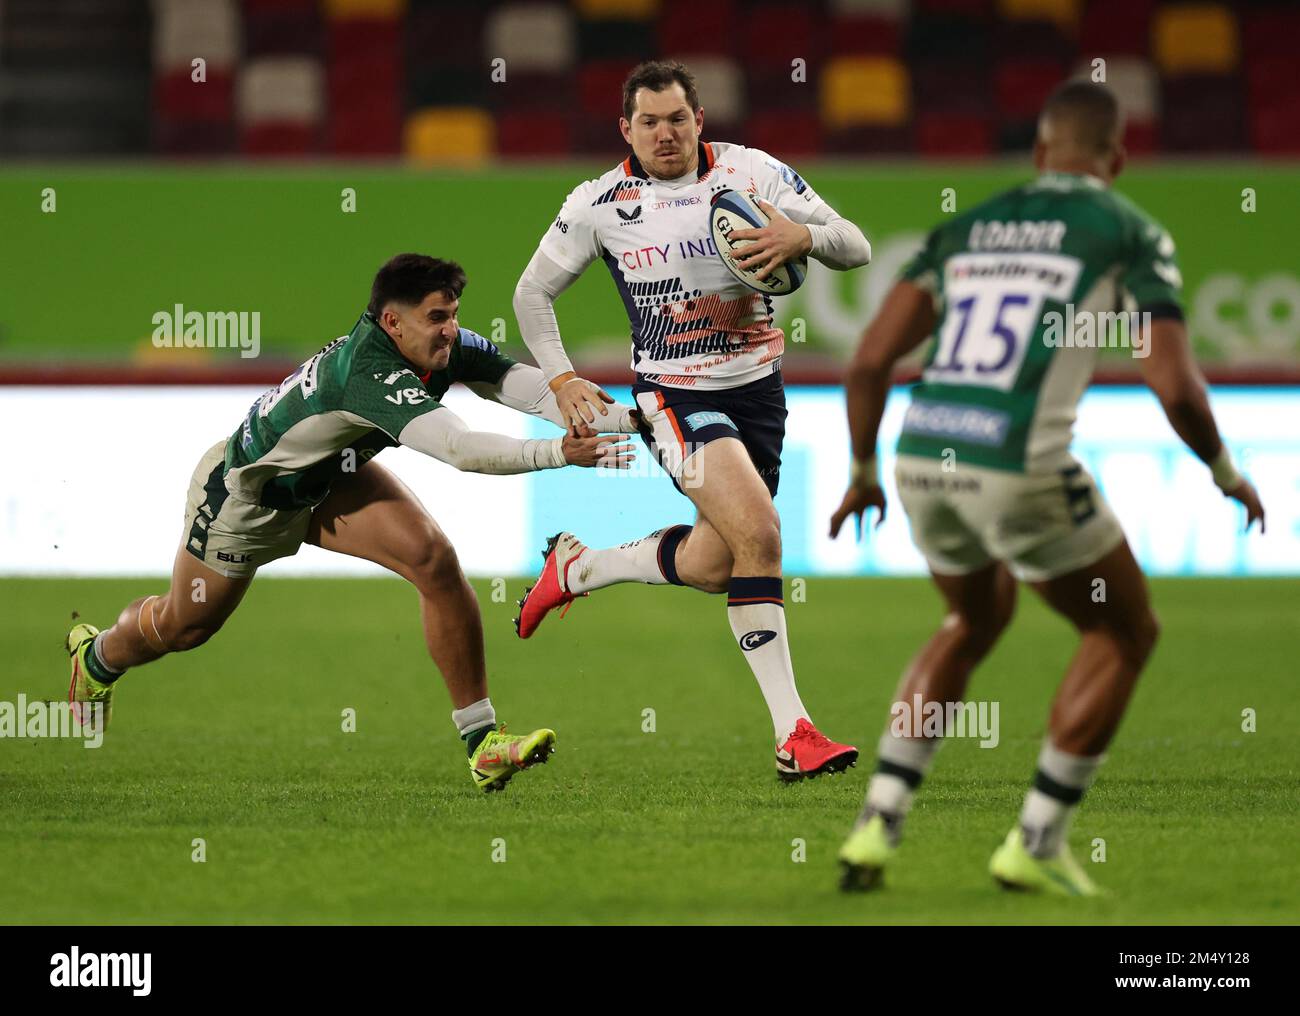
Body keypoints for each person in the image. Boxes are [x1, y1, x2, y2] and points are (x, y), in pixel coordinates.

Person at [830, 81, 1266, 893]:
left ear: (1037, 153)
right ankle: (1036, 839)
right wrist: (1223, 469)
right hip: (1016, 465)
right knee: (1123, 631)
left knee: (971, 616)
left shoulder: (966, 227)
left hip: (923, 458)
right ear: (1118, 160)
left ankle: (876, 825)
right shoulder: (1126, 229)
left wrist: (859, 472)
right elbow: (1173, 385)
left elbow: (865, 362)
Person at [66, 253, 636, 793]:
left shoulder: (439, 346)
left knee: (433, 560)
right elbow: (461, 449)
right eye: (436, 317)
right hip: (247, 500)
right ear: (392, 322)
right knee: (183, 626)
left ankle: (482, 742)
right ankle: (97, 658)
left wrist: (635, 417)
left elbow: (528, 387)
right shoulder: (367, 370)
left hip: (329, 481)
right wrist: (559, 453)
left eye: (453, 315)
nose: (450, 329)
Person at [511, 60, 871, 780]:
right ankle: (793, 734)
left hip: (759, 395)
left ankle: (579, 567)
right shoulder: (600, 203)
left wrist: (805, 239)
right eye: (649, 122)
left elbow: (855, 245)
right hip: (673, 397)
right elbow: (531, 294)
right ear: (626, 129)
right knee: (762, 535)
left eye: (677, 118)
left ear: (699, 120)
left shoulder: (754, 173)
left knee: (718, 564)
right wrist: (560, 375)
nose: (665, 133)